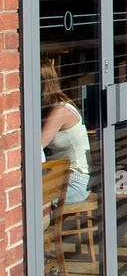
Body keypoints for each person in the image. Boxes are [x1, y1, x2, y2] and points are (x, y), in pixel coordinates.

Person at [41, 58, 91, 205]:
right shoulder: (52, 107)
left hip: (74, 180)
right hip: (56, 174)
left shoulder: (60, 111)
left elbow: (36, 147)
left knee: (26, 198)